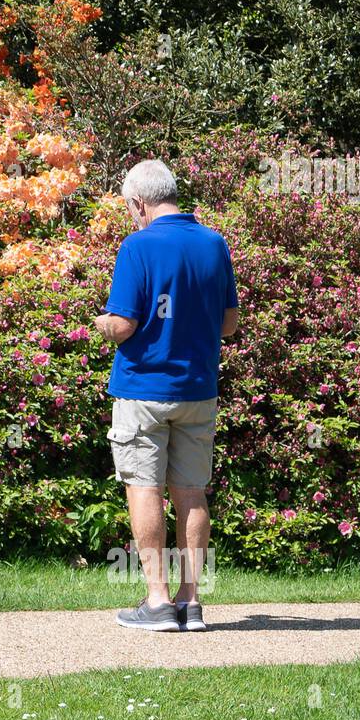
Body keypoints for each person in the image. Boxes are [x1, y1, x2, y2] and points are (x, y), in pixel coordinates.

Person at [93, 160, 239, 632]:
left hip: (144, 389)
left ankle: (157, 602)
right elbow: (229, 323)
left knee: (143, 486)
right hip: (198, 389)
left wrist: (100, 325)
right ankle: (190, 603)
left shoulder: (137, 246)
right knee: (192, 492)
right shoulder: (215, 244)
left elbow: (123, 324)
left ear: (139, 202)